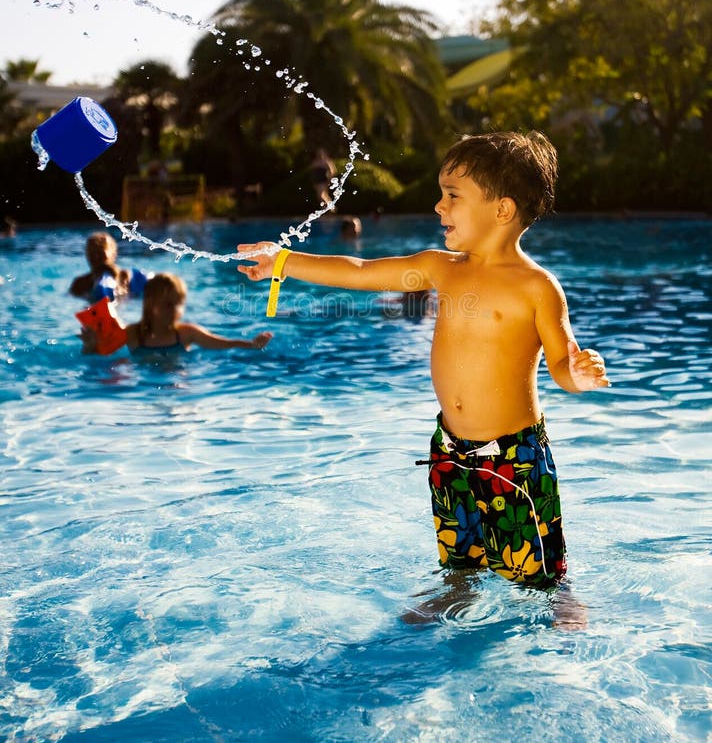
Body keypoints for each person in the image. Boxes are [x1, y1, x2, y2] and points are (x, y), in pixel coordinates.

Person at [237, 132, 609, 590]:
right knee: (460, 559)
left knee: (534, 576)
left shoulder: (537, 287)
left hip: (514, 459)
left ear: (502, 210)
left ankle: (559, 602)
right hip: (449, 449)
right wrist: (284, 262)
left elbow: (560, 364)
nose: (439, 206)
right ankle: (458, 592)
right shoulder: (441, 267)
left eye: (452, 196)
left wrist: (578, 376)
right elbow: (362, 272)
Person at [81, 272, 273, 354]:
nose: (175, 309)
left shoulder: (186, 333)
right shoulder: (133, 333)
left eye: (178, 303)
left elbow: (221, 343)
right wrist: (90, 345)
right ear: (150, 305)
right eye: (167, 304)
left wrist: (251, 345)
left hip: (178, 383)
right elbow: (101, 353)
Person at [69, 232, 150, 302]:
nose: (96, 258)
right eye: (92, 255)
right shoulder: (80, 283)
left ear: (114, 254)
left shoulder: (129, 277)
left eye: (100, 255)